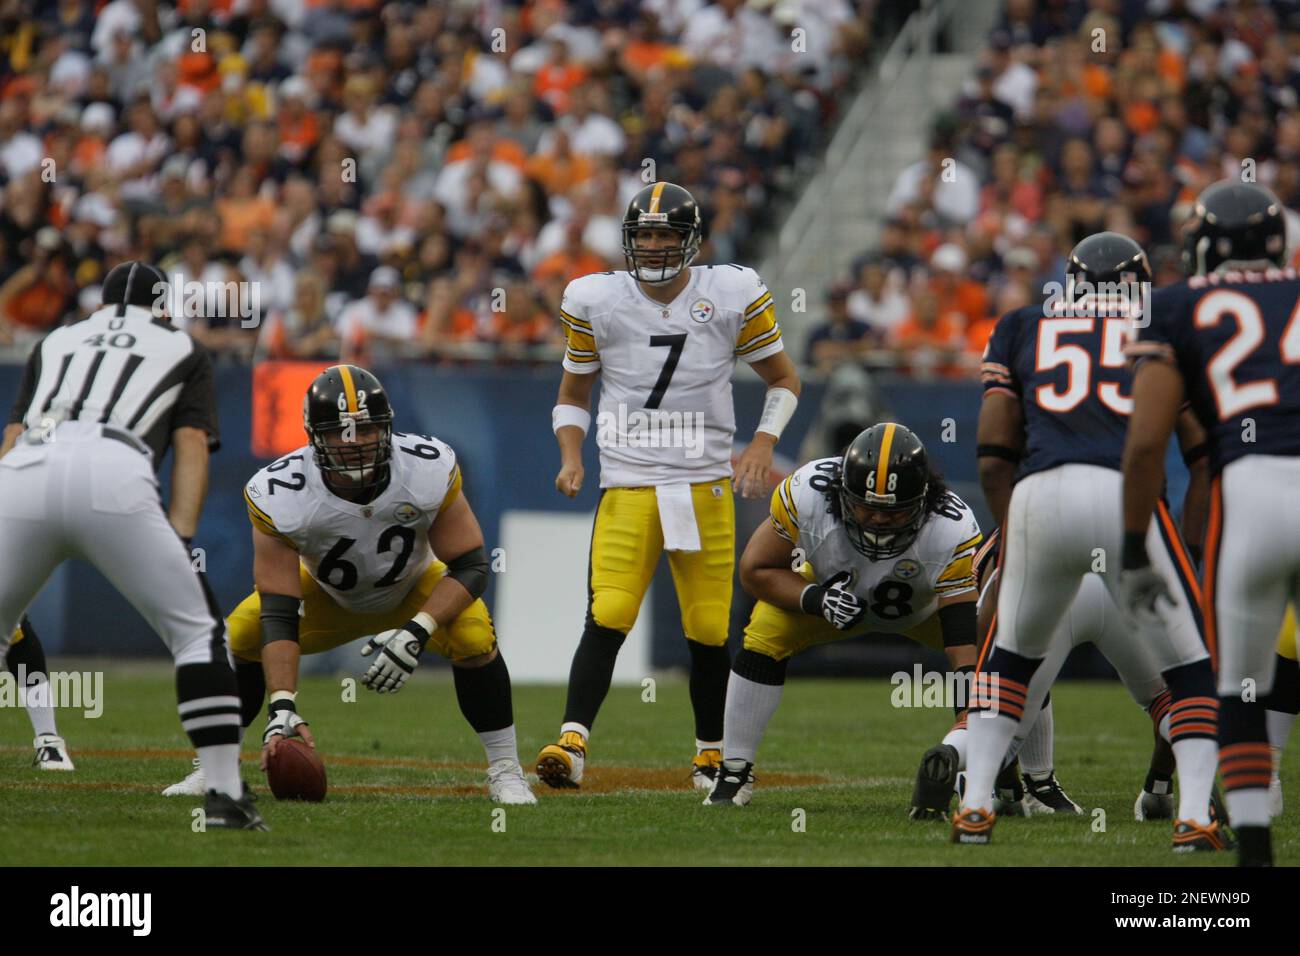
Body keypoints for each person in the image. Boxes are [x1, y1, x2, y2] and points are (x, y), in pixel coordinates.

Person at [958, 232, 1223, 851]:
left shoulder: (1022, 325)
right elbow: (1200, 453)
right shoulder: (1163, 326)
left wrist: (1013, 529)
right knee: (1190, 672)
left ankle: (974, 808)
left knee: (1009, 664)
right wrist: (1191, 548)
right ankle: (1192, 815)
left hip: (1038, 498)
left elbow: (994, 454)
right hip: (1122, 497)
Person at [163, 365, 535, 805]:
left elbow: (471, 566)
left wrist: (418, 631)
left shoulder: (426, 467)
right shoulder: (280, 492)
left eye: (366, 428)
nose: (354, 441)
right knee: (240, 634)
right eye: (338, 431)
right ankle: (215, 766)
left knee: (474, 635)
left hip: (415, 586)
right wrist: (282, 702)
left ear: (387, 426)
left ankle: (506, 770)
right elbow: (280, 609)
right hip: (327, 595)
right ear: (312, 435)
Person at [537, 181, 802, 791]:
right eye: (645, 234)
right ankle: (572, 744)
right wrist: (571, 455)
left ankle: (711, 755)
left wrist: (762, 444)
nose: (654, 246)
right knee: (608, 612)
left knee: (709, 629)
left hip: (704, 483)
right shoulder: (595, 298)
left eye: (665, 234)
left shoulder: (731, 292)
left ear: (693, 241)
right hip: (629, 482)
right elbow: (573, 395)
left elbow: (784, 379)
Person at [0, 260, 263, 830]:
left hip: (23, 473)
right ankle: (222, 796)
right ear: (163, 306)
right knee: (197, 633)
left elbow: (13, 435)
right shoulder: (182, 346)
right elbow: (191, 441)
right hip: (114, 469)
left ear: (100, 303)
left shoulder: (57, 339)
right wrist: (182, 534)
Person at [1122, 182, 1300, 866]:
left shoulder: (1174, 306)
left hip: (1249, 492)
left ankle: (1254, 850)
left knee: (1241, 687)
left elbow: (1144, 444)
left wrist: (1136, 547)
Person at [704, 423, 983, 811]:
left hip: (923, 609)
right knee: (764, 633)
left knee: (1003, 651)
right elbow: (755, 570)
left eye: (893, 511)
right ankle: (734, 771)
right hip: (830, 598)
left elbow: (962, 645)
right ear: (840, 491)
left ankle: (1020, 777)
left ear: (922, 501)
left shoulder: (950, 527)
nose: (877, 520)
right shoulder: (808, 493)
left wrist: (971, 728)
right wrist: (816, 599)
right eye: (866, 506)